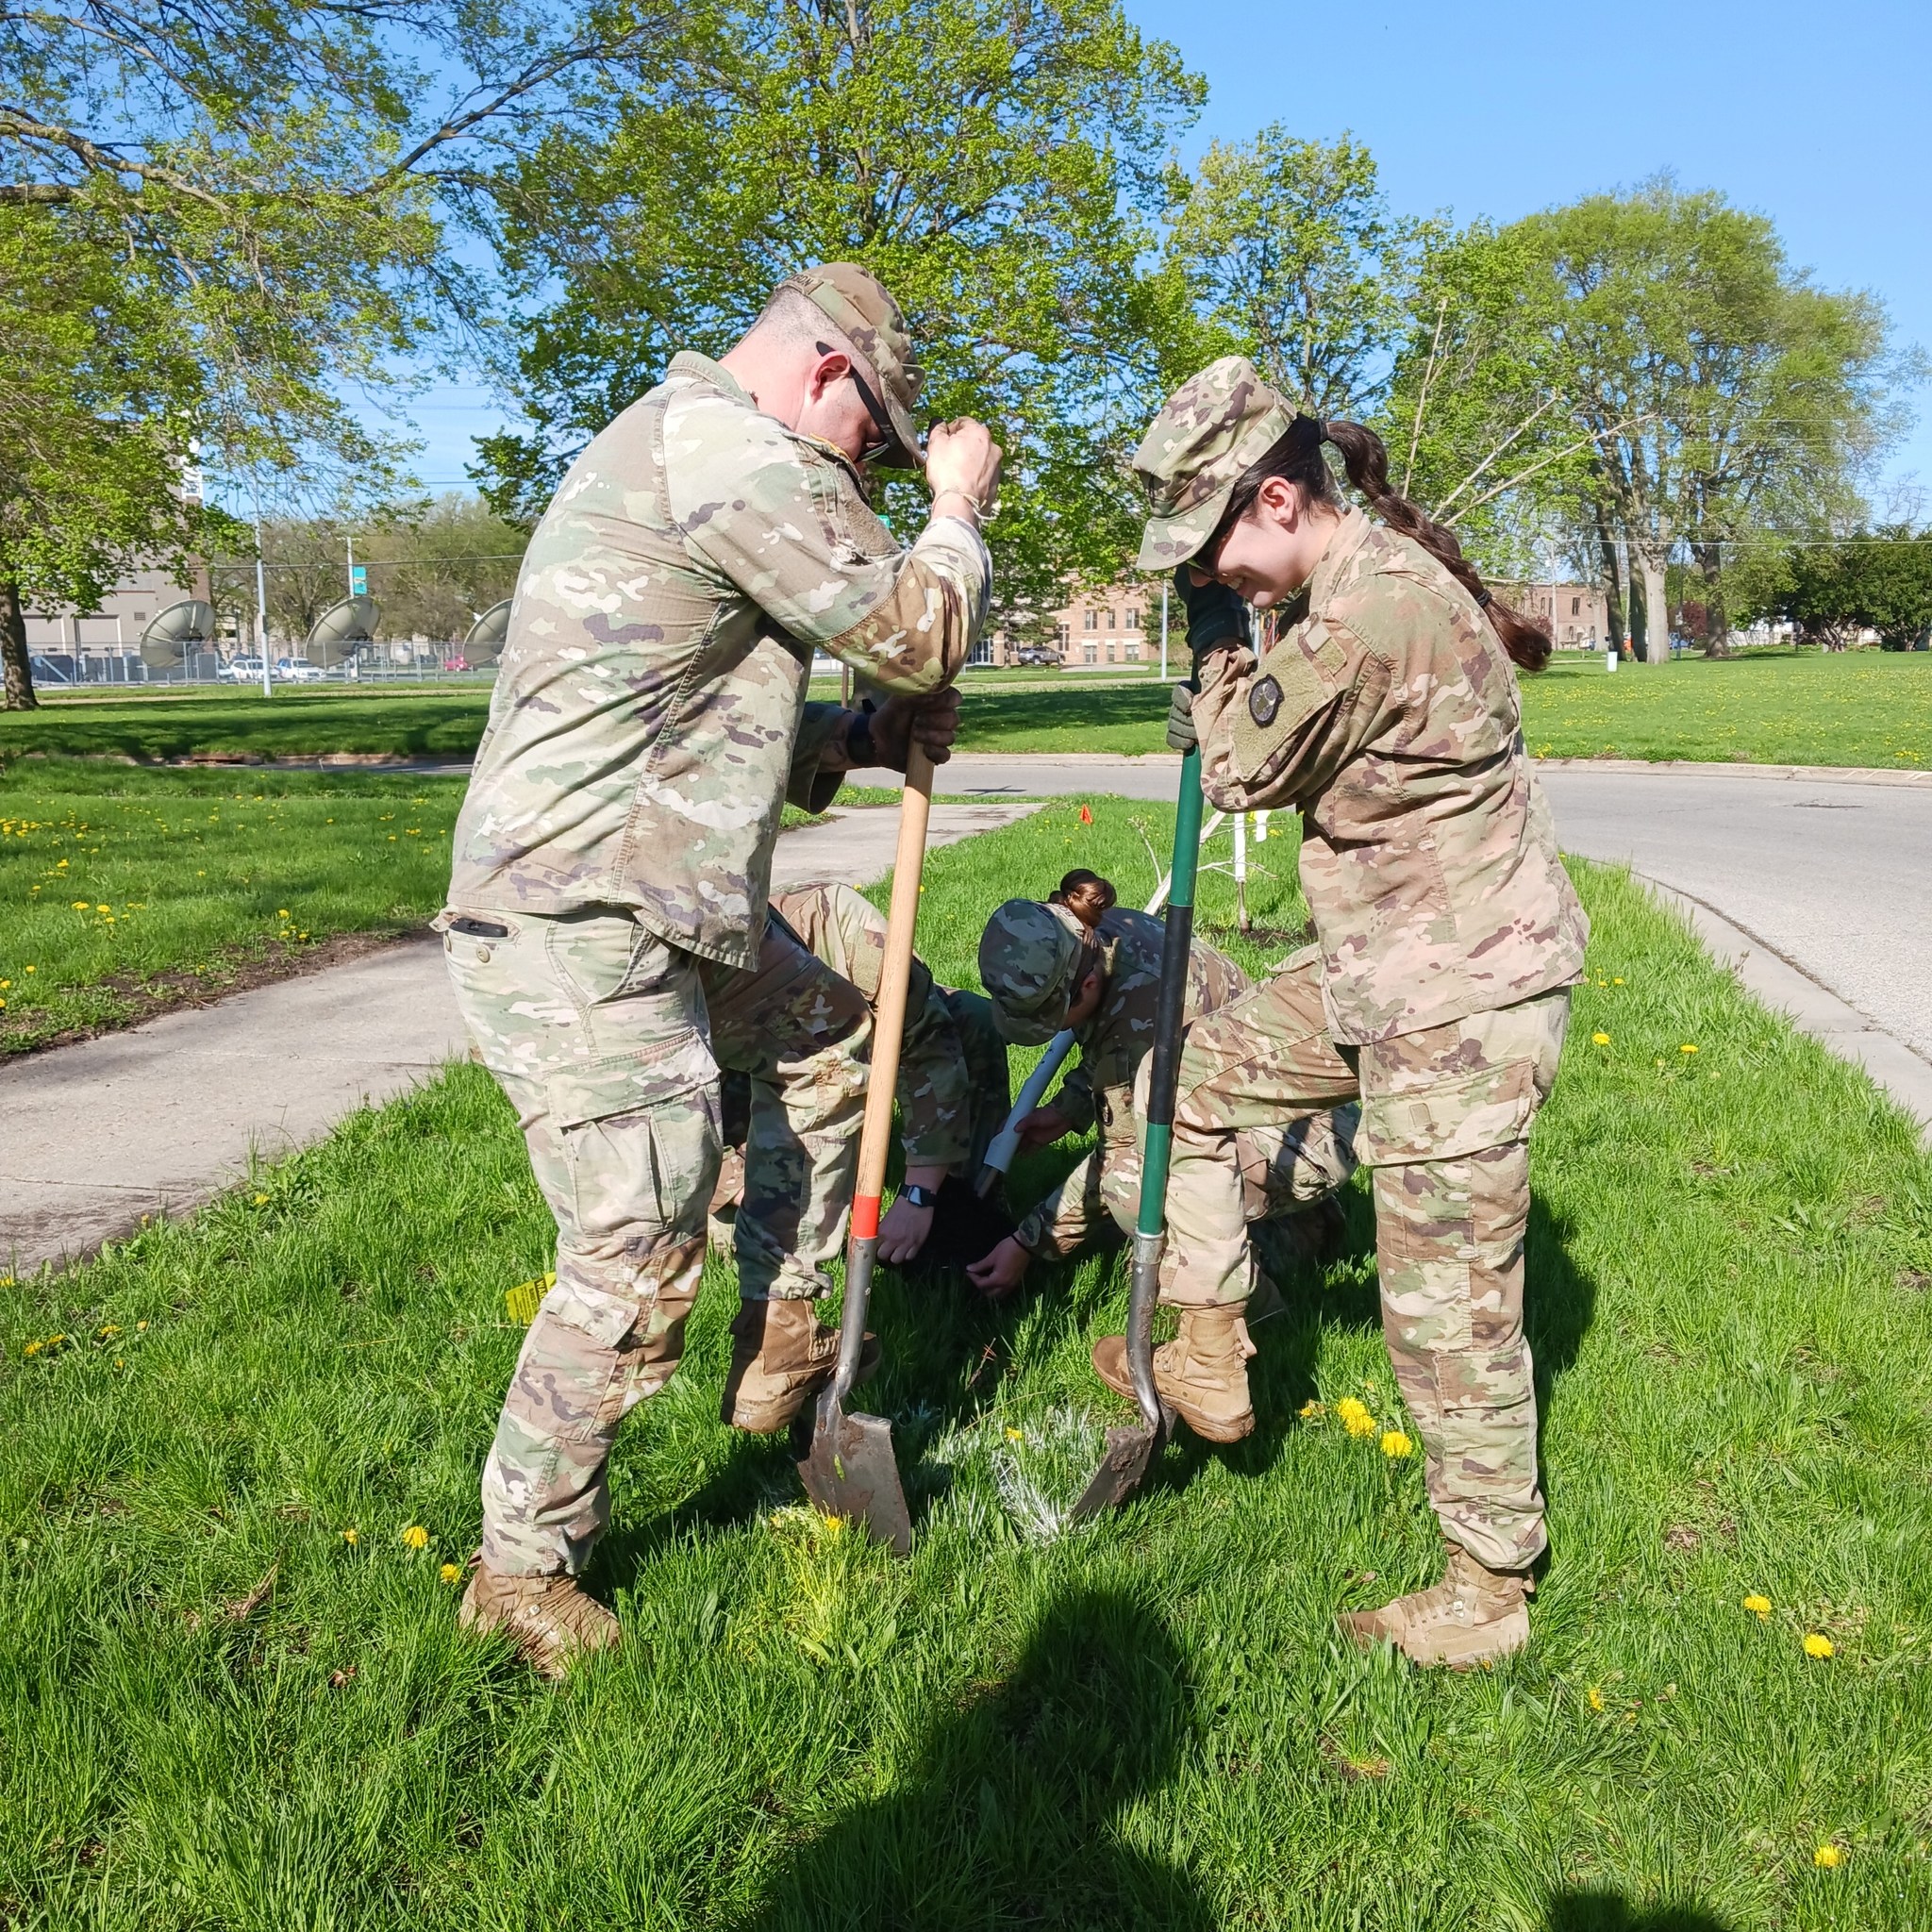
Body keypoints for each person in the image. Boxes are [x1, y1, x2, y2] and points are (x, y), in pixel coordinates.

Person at [439, 263, 1002, 1676]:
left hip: (655, 903)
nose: (866, 467)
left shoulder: (687, 447)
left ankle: (782, 1324)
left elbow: (691, 716)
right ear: (827, 375)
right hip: (582, 924)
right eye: (871, 438)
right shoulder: (730, 448)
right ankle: (522, 1570)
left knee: (831, 1030)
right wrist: (954, 509)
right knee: (633, 1246)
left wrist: (862, 738)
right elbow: (915, 629)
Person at [1120, 355, 1589, 1667]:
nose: (1210, 574)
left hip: (1462, 997)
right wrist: (1231, 629)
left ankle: (1488, 1586)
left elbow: (1238, 764)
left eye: (1211, 549)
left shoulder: (1374, 607)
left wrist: (1217, 654)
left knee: (1446, 1311)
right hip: (1383, 967)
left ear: (1277, 500)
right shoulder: (1343, 587)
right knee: (1181, 1085)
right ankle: (1211, 1338)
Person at [965, 883, 1357, 1415]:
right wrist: (1069, 1110)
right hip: (1266, 1105)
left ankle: (1249, 1315)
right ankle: (1300, 1228)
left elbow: (1122, 1157)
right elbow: (1107, 1052)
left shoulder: (1145, 1006)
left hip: (1306, 1131)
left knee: (1134, 1192)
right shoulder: (1097, 935)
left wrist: (1028, 1241)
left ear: (1086, 985)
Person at [708, 878, 1010, 1294]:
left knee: (972, 1019)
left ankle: (961, 1200)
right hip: (738, 1083)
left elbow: (928, 1048)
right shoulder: (684, 976)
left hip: (843, 1033)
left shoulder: (845, 932)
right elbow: (656, 1121)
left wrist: (920, 1194)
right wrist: (747, 1186)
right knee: (742, 1241)